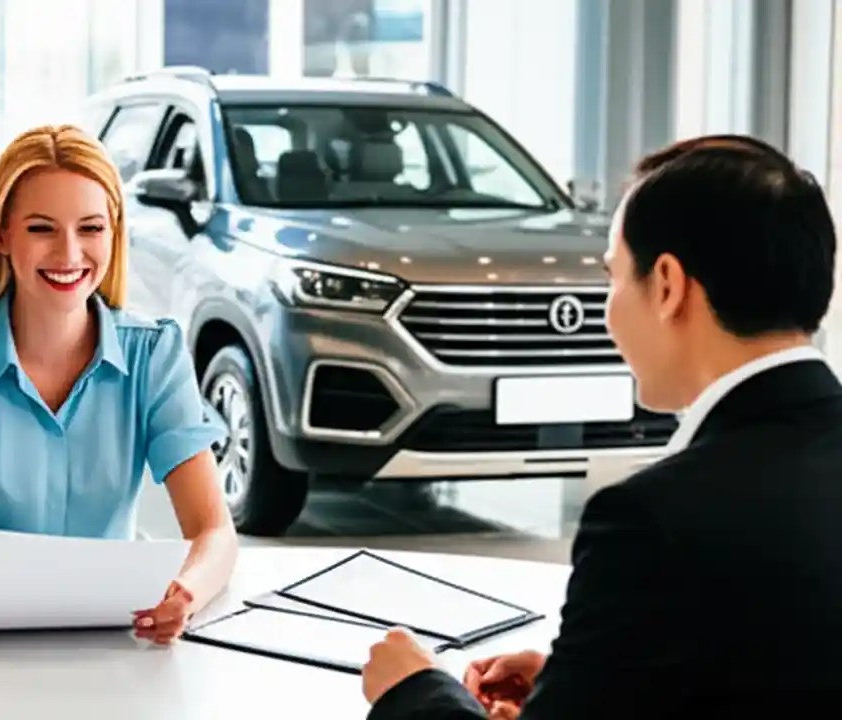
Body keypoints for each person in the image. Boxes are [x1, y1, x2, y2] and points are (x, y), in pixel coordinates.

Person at [360, 134, 842, 719]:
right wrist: (584, 680)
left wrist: (414, 690)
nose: (609, 311)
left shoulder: (652, 520)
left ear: (667, 285)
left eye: (613, 277)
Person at [0, 124, 238, 644]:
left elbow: (214, 530)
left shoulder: (155, 354)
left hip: (102, 648)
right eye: (42, 229)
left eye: (90, 229)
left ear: (114, 232)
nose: (69, 254)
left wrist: (187, 593)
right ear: (3, 234)